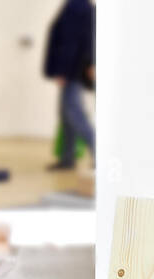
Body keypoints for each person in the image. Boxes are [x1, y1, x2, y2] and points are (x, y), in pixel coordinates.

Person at [43, 0, 94, 172]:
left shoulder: (76, 6)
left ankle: (98, 153)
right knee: (67, 115)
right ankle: (67, 158)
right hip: (75, 69)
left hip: (71, 70)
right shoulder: (82, 6)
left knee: (74, 114)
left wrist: (63, 70)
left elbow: (70, 40)